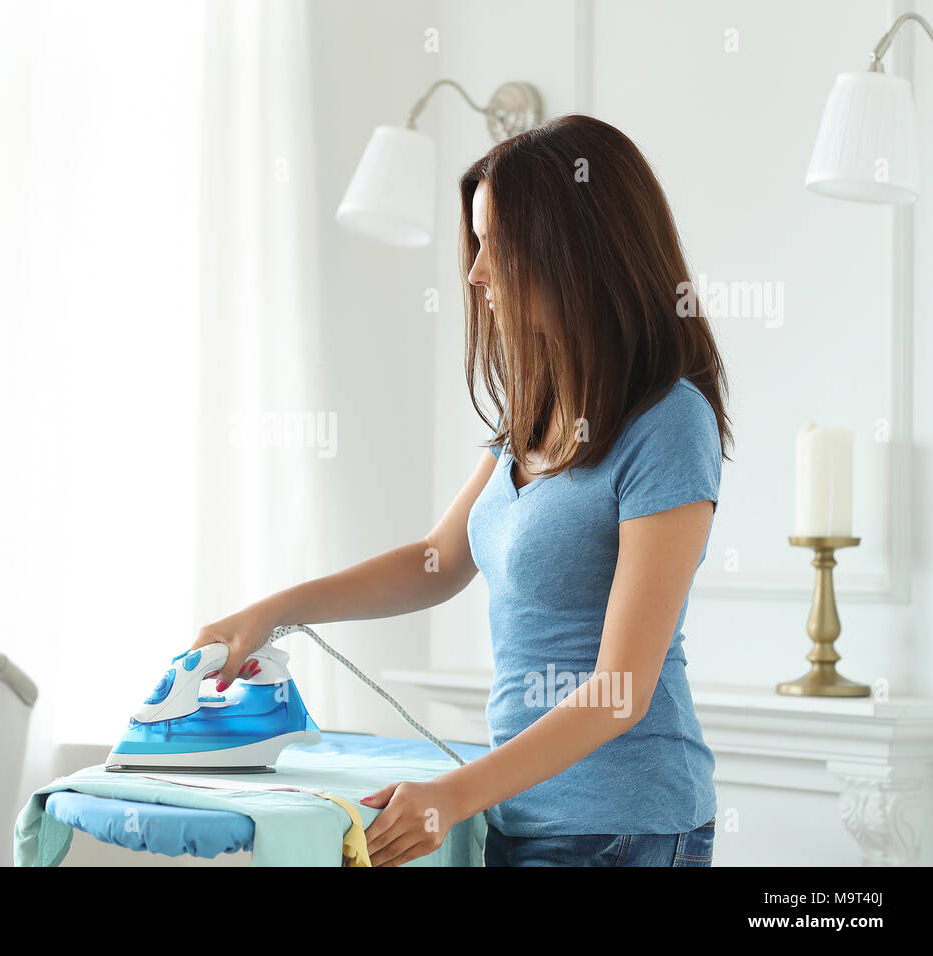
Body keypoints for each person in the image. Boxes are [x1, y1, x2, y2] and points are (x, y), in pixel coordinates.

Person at [192, 114, 732, 867]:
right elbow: (436, 562)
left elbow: (622, 690)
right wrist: (272, 612)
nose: (477, 275)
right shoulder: (531, 418)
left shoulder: (668, 424)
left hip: (623, 827)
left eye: (497, 247)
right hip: (521, 816)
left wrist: (454, 793)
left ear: (576, 248)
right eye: (476, 246)